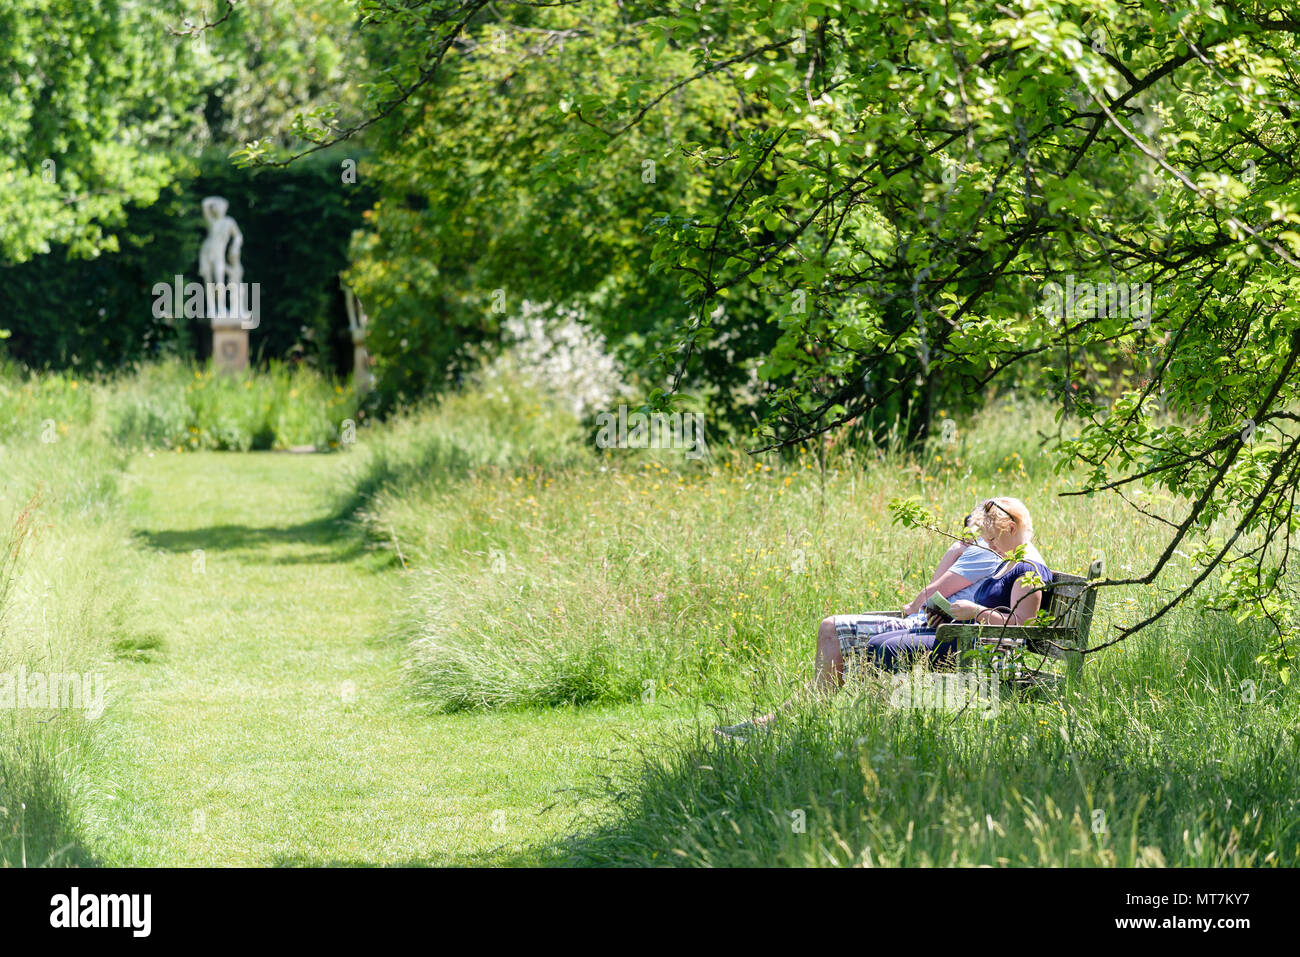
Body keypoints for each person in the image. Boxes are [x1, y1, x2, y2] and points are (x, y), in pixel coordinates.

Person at [716, 497, 1051, 737]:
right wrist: (951, 615)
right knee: (877, 643)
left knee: (882, 646)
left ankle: (878, 734)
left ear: (1012, 527)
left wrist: (974, 612)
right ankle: (851, 727)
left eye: (993, 538)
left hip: (982, 653)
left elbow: (1024, 628)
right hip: (962, 637)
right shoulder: (1008, 560)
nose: (989, 545)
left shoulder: (1028, 569)